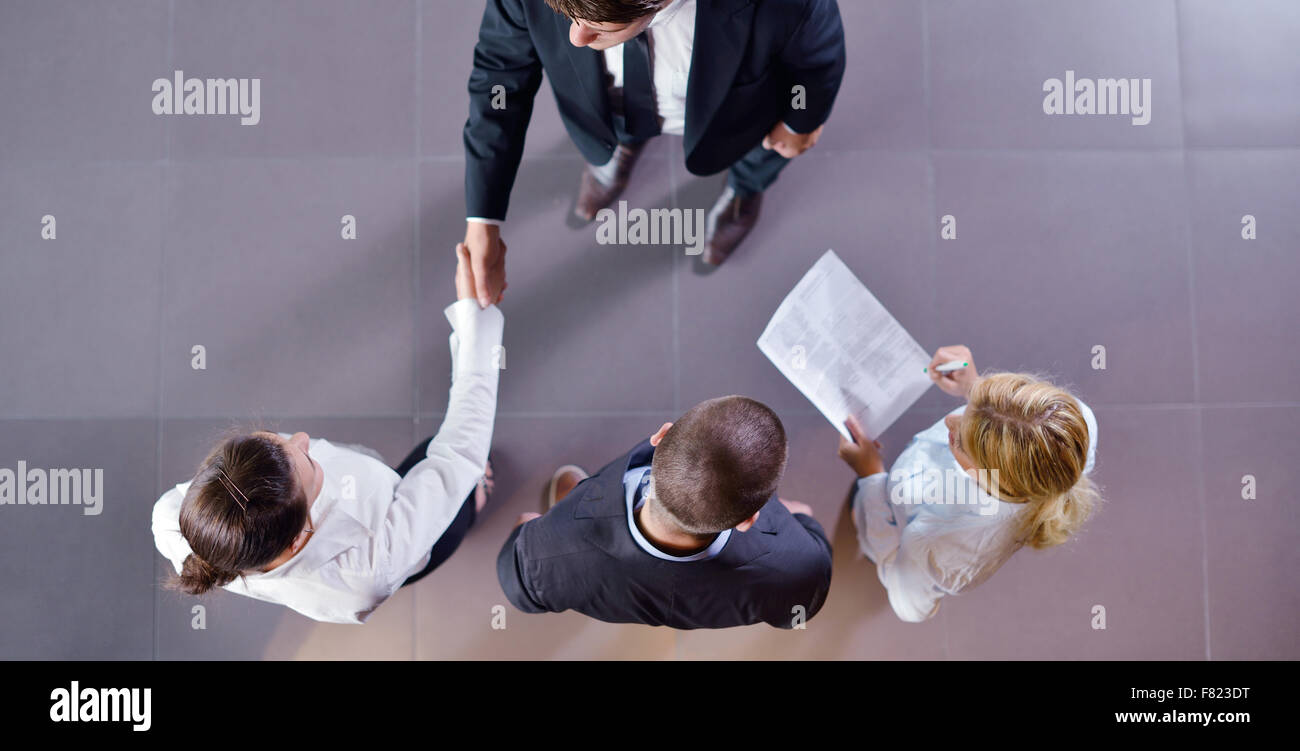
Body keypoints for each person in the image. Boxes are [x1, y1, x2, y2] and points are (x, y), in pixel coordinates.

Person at [462, 0, 846, 303]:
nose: (575, 38)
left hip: (733, 119)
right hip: (607, 108)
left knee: (758, 157)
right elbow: (499, 73)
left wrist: (801, 122)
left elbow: (819, 62)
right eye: (571, 15)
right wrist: (483, 221)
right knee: (611, 134)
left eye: (597, 27)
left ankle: (743, 192)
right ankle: (613, 154)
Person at [150, 244, 504, 623]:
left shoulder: (172, 517)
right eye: (307, 462)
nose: (302, 437)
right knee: (453, 498)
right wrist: (477, 319)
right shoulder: (367, 572)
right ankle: (472, 502)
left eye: (275, 440)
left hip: (369, 491)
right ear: (299, 539)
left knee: (428, 476)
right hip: (416, 538)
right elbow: (458, 454)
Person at [496, 395, 833, 630]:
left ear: (662, 435)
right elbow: (796, 613)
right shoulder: (801, 568)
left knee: (538, 525)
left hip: (592, 573)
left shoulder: (541, 561)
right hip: (712, 600)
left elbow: (518, 585)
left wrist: (546, 531)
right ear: (747, 520)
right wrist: (800, 518)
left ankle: (576, 505)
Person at [837, 345, 1101, 623]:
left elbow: (910, 608)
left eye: (961, 440)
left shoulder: (934, 543)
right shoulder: (1072, 422)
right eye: (971, 407)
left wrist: (870, 477)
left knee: (865, 521)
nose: (950, 419)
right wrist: (974, 386)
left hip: (890, 525)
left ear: (987, 476)